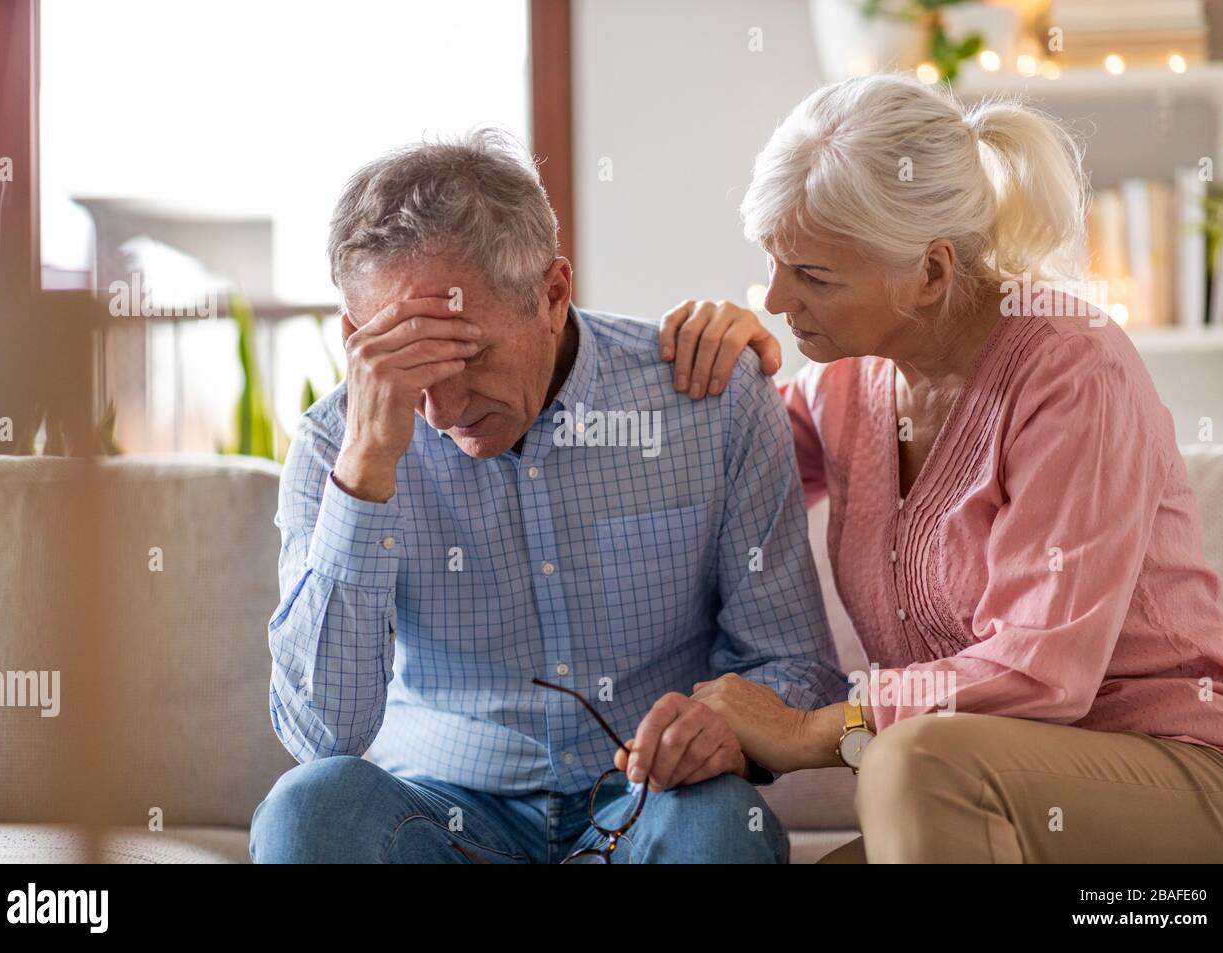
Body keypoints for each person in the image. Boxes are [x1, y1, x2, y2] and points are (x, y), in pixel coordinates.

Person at [661, 73, 1223, 863]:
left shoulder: (1073, 369)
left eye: (813, 276)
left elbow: (1045, 673)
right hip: (976, 782)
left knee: (909, 762)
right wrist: (723, 364)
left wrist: (813, 728)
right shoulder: (844, 384)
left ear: (934, 271)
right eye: (773, 262)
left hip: (1184, 776)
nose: (775, 297)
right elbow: (707, 479)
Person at [249, 127, 848, 864]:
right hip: (442, 816)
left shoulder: (709, 400)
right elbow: (321, 735)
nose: (441, 406)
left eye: (467, 353)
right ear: (356, 339)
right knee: (308, 812)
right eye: (411, 362)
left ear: (553, 293)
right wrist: (367, 468)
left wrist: (729, 732)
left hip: (648, 801)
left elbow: (794, 664)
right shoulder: (332, 445)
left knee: (719, 825)